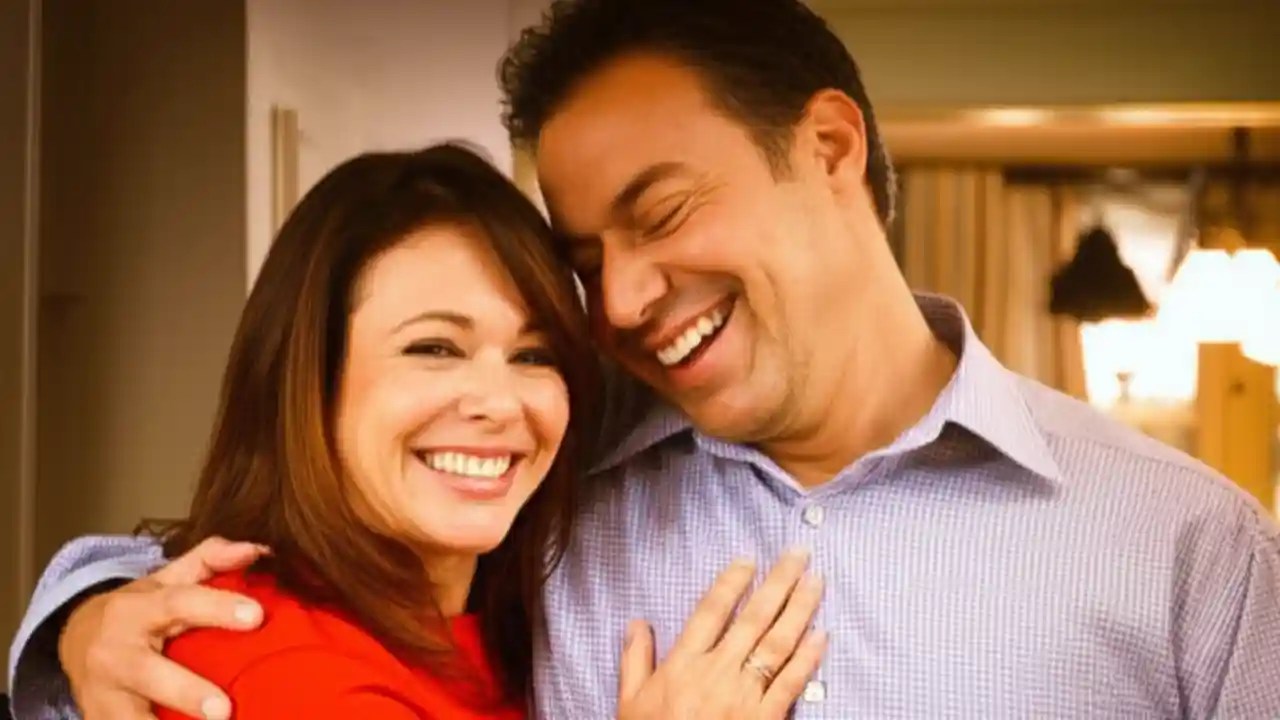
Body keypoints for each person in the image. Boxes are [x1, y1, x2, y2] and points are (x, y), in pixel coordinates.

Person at [10, 0, 1280, 717]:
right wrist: (81, 628)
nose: (617, 301)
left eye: (661, 213)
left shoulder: (1187, 546)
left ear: (830, 150)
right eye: (583, 258)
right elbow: (280, 561)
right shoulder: (554, 480)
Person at [6, 142, 827, 719]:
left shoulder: (485, 621)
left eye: (534, 355)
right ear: (308, 381)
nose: (499, 402)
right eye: (434, 348)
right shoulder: (280, 668)